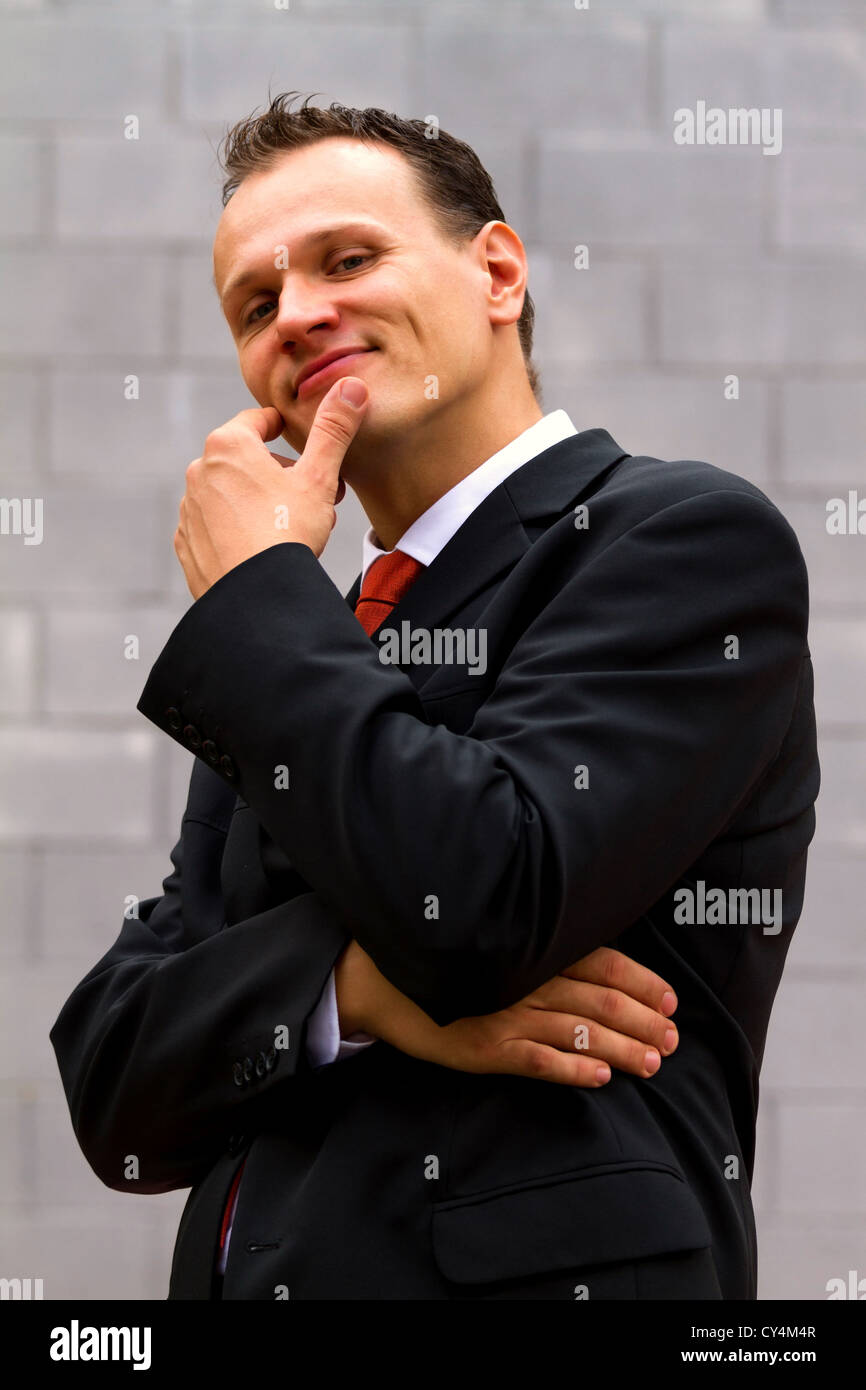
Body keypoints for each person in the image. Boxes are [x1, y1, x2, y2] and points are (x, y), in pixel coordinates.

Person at [50, 94, 819, 1300]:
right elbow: (111, 1074)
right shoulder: (305, 638)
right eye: (255, 306)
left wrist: (257, 592)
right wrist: (354, 992)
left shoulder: (680, 540)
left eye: (347, 259)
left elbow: (479, 897)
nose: (298, 315)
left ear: (498, 270)